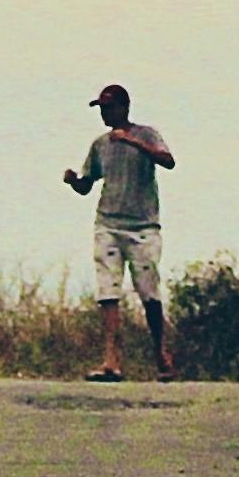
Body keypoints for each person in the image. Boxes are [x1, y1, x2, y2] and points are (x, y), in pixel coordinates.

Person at [65, 84, 175, 380]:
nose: (105, 114)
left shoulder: (146, 134)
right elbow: (88, 183)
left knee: (148, 289)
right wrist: (74, 181)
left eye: (109, 108)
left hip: (142, 226)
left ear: (125, 107)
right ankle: (111, 360)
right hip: (108, 223)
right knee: (108, 289)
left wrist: (133, 143)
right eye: (101, 109)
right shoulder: (101, 144)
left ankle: (160, 351)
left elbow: (168, 161)